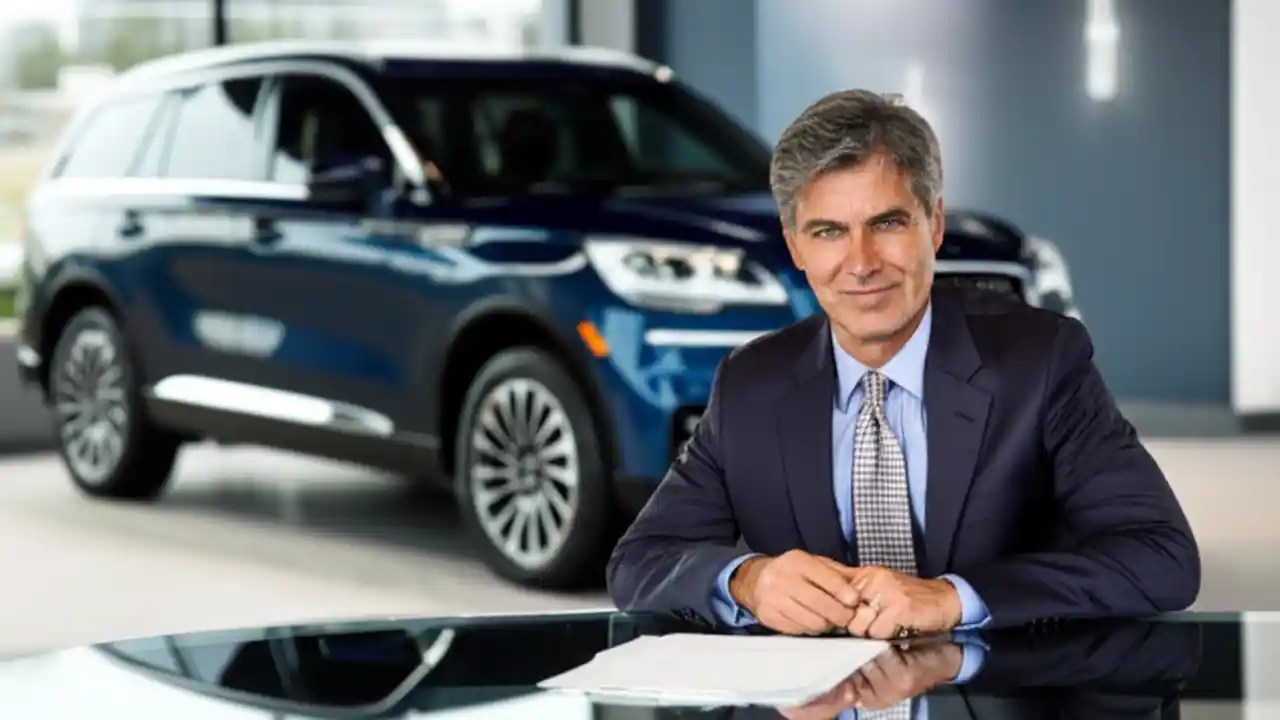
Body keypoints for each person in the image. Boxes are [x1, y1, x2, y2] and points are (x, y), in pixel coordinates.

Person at [605, 89, 1200, 640]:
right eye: (829, 231)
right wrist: (747, 580)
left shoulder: (1041, 363)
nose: (861, 262)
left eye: (886, 223)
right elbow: (639, 562)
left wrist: (952, 599)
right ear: (795, 247)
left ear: (933, 225)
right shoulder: (750, 384)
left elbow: (1160, 557)